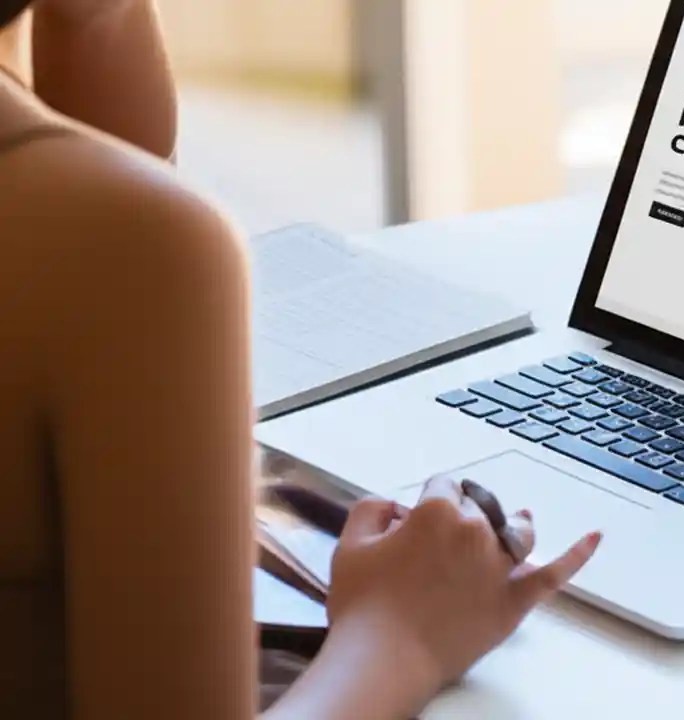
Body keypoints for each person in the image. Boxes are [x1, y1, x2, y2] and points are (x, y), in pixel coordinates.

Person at [0, 1, 601, 717]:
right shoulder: (130, 246)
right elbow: (118, 222)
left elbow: (111, 171)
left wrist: (98, 19)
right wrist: (402, 636)